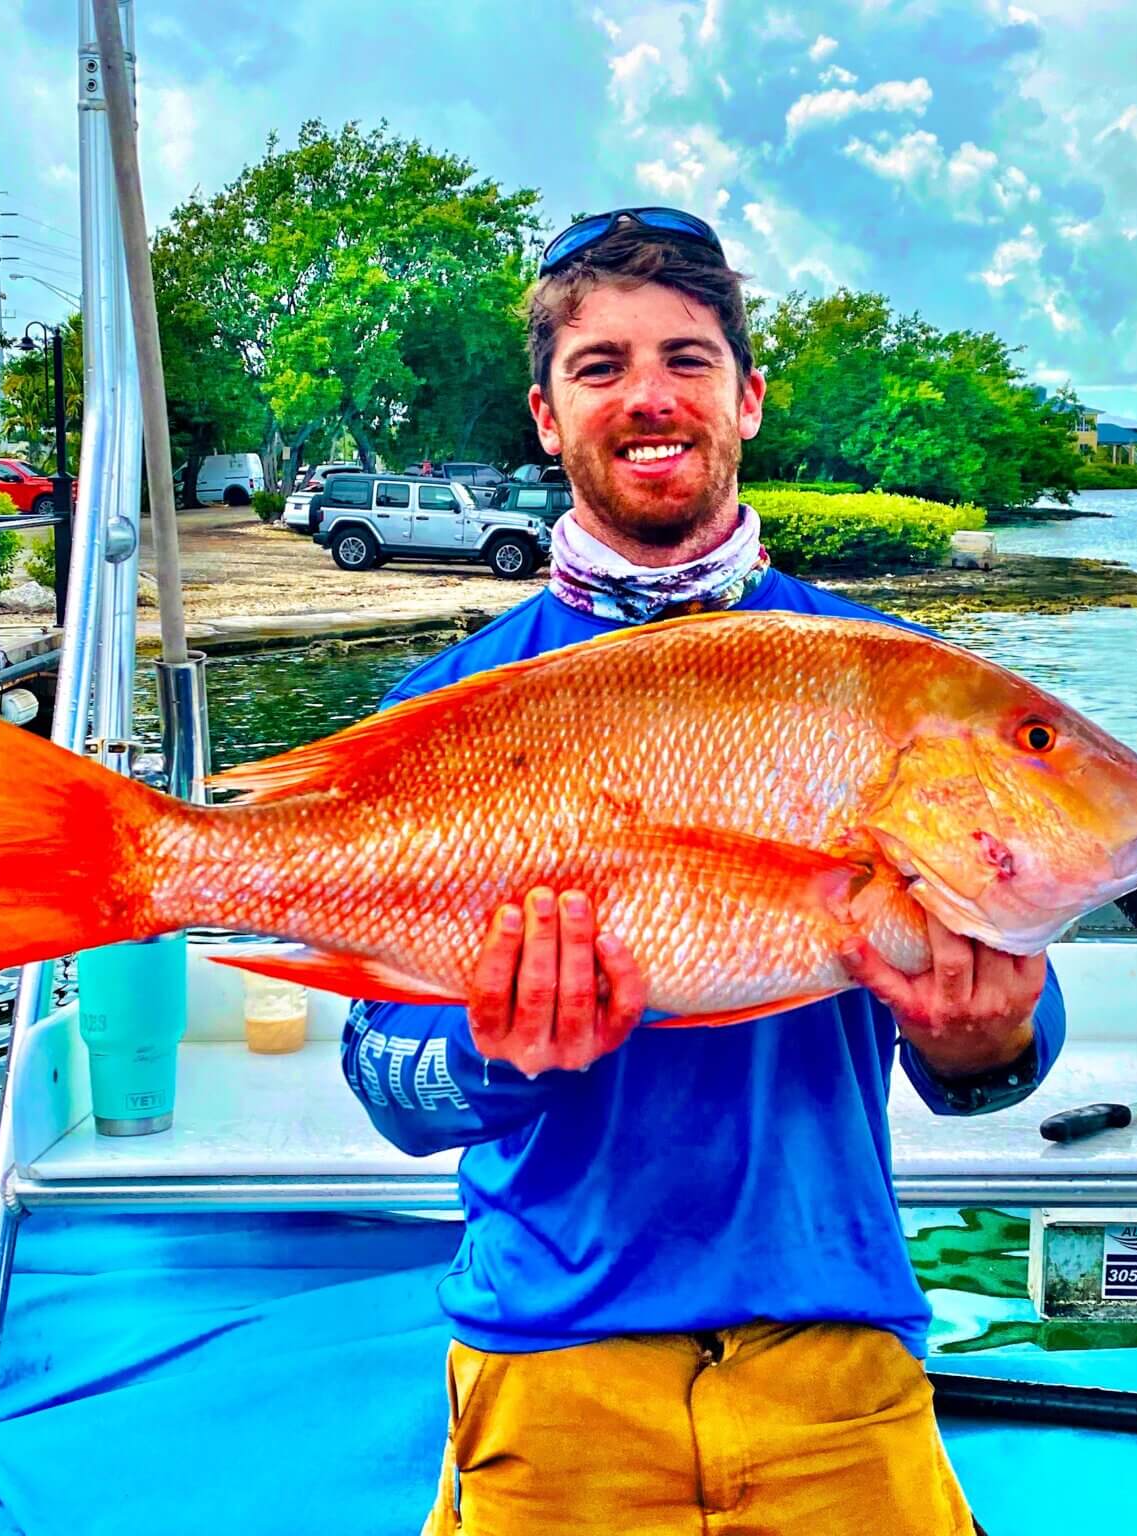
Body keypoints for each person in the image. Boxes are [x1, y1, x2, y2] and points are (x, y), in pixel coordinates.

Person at [341, 208, 1065, 1535]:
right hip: (547, 1352)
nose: (648, 396)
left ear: (747, 396)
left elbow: (996, 1054)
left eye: (685, 356)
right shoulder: (449, 700)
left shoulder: (888, 680)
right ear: (547, 419)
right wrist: (501, 1057)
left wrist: (988, 1038)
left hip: (833, 1341)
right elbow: (386, 1085)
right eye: (600, 365)